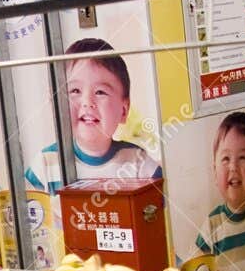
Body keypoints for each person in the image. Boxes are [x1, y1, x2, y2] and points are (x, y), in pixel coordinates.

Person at [26, 37, 161, 191]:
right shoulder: (44, 165)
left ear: (124, 110)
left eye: (100, 92)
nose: (87, 102)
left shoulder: (139, 164)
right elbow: (24, 210)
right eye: (75, 91)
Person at [192, 111, 245, 271]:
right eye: (225, 159)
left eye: (242, 158)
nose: (233, 167)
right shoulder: (211, 225)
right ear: (215, 170)